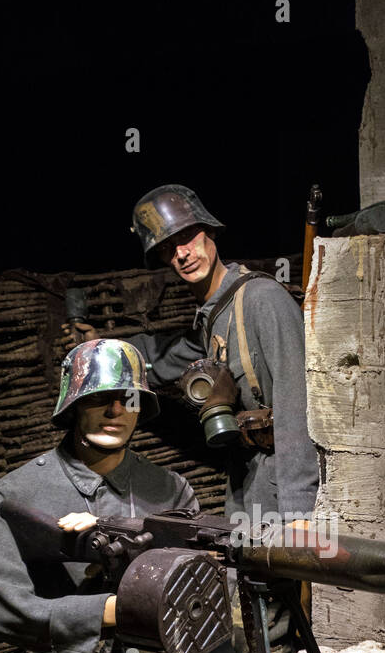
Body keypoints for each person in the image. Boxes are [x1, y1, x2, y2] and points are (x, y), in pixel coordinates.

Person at [0, 337, 199, 653]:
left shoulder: (170, 492)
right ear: (73, 407)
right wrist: (113, 610)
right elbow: (7, 612)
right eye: (98, 399)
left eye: (128, 400)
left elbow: (197, 590)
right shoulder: (8, 496)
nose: (115, 411)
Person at [65, 185, 319, 527]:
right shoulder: (212, 317)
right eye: (168, 249)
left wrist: (299, 512)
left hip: (282, 494)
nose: (181, 254)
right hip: (247, 484)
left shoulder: (262, 299)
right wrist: (103, 344)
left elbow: (297, 405)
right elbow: (163, 357)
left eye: (187, 237)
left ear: (209, 230)